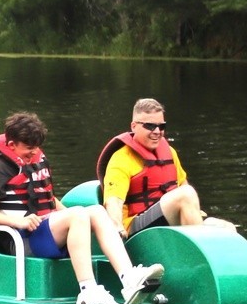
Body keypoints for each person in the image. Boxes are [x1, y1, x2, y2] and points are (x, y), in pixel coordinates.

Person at [0, 111, 163, 304]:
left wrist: (71, 213)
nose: (34, 152)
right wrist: (20, 222)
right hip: (21, 239)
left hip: (44, 230)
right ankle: (88, 292)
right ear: (12, 145)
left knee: (96, 212)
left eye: (36, 147)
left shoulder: (34, 159)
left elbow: (46, 197)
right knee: (79, 215)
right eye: (29, 148)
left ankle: (129, 278)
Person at [96, 97, 234, 239]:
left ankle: (207, 253)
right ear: (134, 126)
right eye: (150, 126)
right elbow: (113, 201)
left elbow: (183, 185)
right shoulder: (121, 158)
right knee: (185, 194)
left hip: (166, 220)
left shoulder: (169, 152)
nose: (157, 131)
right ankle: (198, 252)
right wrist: (117, 227)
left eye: (161, 126)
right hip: (135, 228)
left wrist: (199, 216)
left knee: (226, 228)